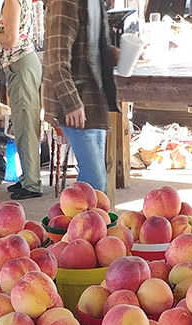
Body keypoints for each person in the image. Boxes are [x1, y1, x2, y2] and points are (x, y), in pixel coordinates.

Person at [43, 0, 118, 192]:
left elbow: (91, 49)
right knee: (94, 181)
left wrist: (117, 54)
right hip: (76, 100)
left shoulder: (95, 3)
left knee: (95, 181)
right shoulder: (65, 3)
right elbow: (56, 58)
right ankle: (75, 221)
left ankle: (80, 220)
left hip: (94, 99)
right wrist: (71, 101)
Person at [0, 0, 43, 200]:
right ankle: (27, 178)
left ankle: (32, 183)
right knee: (22, 123)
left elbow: (10, 39)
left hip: (20, 65)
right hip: (19, 65)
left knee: (26, 124)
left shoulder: (12, 1)